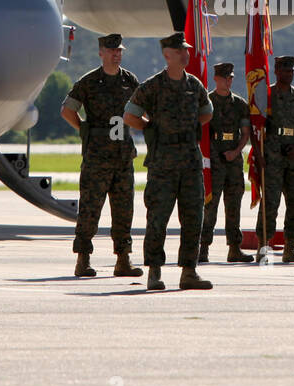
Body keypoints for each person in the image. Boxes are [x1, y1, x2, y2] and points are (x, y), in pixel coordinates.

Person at [124, 32, 214, 291]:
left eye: (186, 49)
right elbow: (130, 116)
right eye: (181, 50)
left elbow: (207, 113)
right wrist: (151, 129)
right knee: (158, 218)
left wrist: (186, 128)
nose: (187, 53)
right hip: (163, 163)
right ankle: (154, 271)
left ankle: (189, 271)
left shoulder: (193, 84)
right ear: (168, 55)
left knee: (193, 217)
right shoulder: (153, 86)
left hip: (190, 161)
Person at [60, 33, 142, 278]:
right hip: (97, 157)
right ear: (101, 53)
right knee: (90, 208)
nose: (117, 54)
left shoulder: (130, 80)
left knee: (124, 209)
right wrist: (85, 130)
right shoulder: (90, 81)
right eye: (112, 50)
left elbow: (139, 111)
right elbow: (67, 110)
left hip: (123, 157)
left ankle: (123, 260)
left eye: (119, 51)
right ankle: (83, 260)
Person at [261, 55, 294, 263]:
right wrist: (259, 153)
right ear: (275, 71)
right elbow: (257, 126)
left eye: (290, 71)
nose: (288, 74)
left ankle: (290, 247)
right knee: (270, 203)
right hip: (272, 154)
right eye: (284, 70)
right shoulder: (266, 95)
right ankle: (263, 247)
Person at [201, 62, 253, 264]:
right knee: (210, 206)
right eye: (224, 77)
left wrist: (236, 151)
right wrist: (216, 155)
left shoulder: (239, 104)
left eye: (230, 77)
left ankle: (234, 248)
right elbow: (203, 134)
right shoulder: (208, 102)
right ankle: (203, 248)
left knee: (234, 206)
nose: (228, 81)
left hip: (233, 162)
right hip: (214, 162)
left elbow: (245, 133)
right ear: (216, 78)